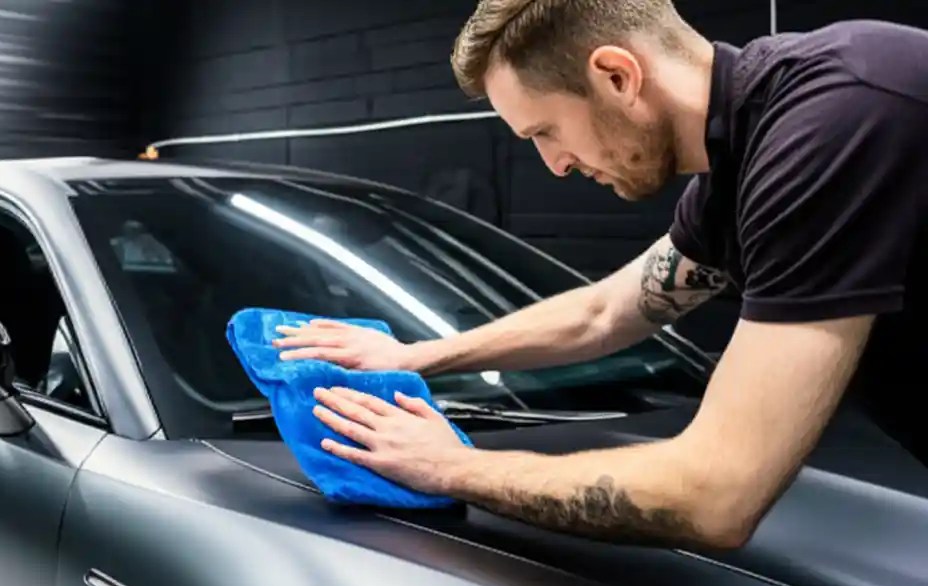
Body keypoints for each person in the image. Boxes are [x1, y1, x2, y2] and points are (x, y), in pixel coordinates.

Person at [274, 0, 928, 551]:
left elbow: (717, 494)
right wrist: (415, 354)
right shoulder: (750, 155)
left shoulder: (835, 121)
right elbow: (606, 311)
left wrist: (452, 467)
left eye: (547, 131)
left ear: (616, 75)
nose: (554, 165)